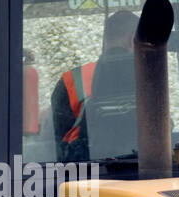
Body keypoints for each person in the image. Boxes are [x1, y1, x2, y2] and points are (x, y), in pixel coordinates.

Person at [51, 10, 138, 161]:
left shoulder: (72, 80)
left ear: (104, 40)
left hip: (86, 175)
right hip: (146, 171)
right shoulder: (152, 78)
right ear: (133, 39)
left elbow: (57, 139)